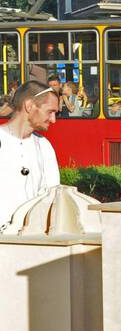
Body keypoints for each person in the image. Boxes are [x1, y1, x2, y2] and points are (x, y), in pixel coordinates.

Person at [0, 80, 61, 231]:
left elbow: (52, 196)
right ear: (29, 105)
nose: (54, 120)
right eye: (50, 112)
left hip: (31, 242)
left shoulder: (44, 146)